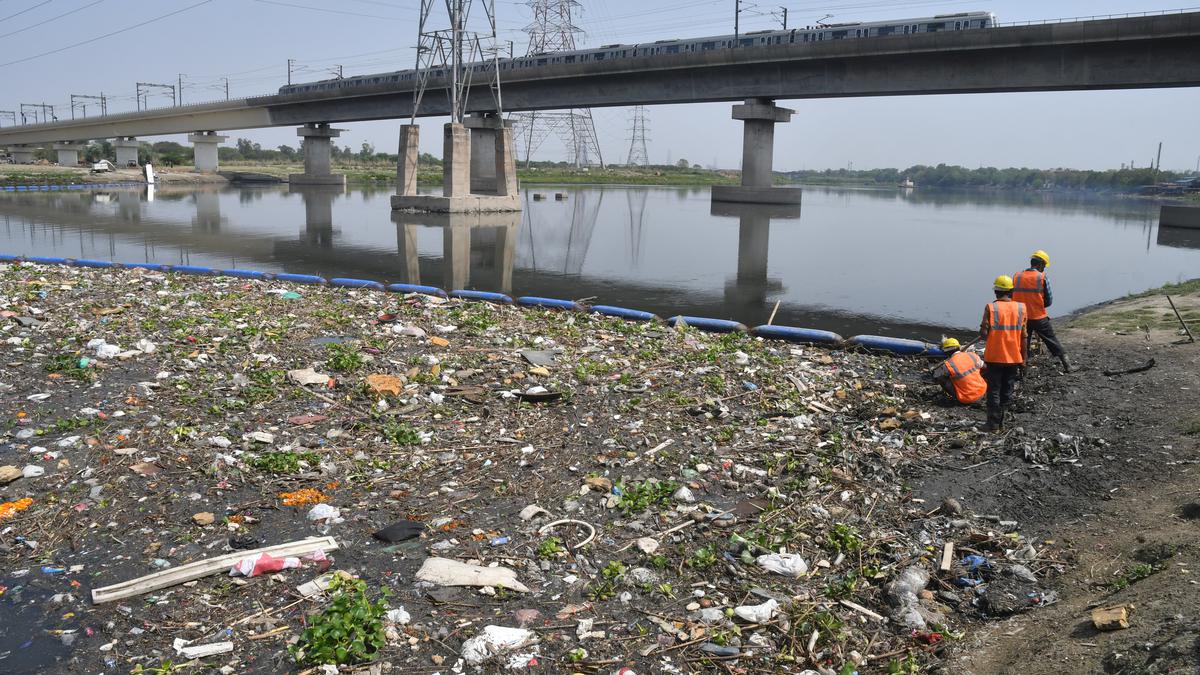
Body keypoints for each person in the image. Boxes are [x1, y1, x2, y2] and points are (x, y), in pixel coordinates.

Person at [1013, 250, 1075, 372]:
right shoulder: (1041, 277)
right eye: (1044, 266)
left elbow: (1012, 296)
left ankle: (1021, 370)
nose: (1044, 269)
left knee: (1022, 343)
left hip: (1020, 317)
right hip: (1038, 317)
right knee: (1051, 340)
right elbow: (1049, 300)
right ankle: (1068, 366)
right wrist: (1037, 305)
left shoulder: (1017, 276)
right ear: (1040, 265)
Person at [980, 275, 1028, 431]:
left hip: (995, 357)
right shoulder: (1021, 308)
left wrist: (984, 328)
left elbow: (983, 335)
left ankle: (992, 423)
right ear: (1011, 291)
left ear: (996, 292)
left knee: (993, 390)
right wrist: (1024, 360)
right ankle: (1002, 422)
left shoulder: (991, 308)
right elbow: (1024, 337)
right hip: (1014, 357)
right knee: (1007, 390)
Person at [932, 337, 987, 405]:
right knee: (978, 369)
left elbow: (936, 376)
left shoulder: (948, 364)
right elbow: (985, 367)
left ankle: (956, 397)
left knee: (942, 378)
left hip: (966, 398)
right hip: (982, 391)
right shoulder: (972, 355)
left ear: (946, 351)